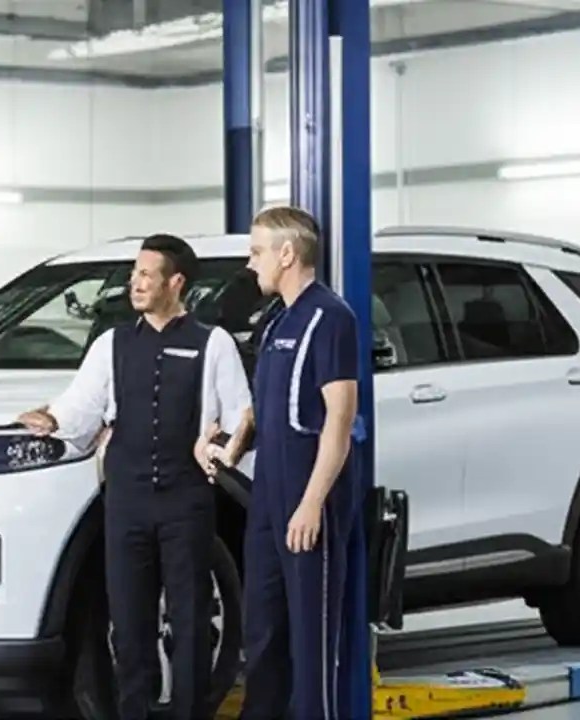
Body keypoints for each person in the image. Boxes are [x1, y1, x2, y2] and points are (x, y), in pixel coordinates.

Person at [17, 234, 252, 720]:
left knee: (188, 620)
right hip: (125, 501)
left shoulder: (213, 344)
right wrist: (52, 420)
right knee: (127, 622)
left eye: (146, 274)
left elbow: (240, 418)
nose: (135, 284)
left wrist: (218, 446)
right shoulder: (113, 344)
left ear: (176, 282)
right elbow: (81, 406)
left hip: (187, 500)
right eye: (134, 275)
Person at [235, 206, 360, 720]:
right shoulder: (277, 319)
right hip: (267, 494)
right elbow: (264, 405)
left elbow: (340, 417)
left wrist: (311, 504)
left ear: (287, 254)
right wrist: (231, 443)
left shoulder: (330, 317)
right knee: (261, 630)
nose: (250, 264)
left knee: (312, 638)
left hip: (309, 494)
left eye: (257, 251)